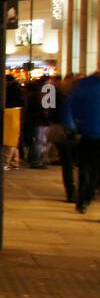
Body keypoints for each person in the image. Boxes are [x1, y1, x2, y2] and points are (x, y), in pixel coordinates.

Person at [61, 69, 100, 214]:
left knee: (87, 170)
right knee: (84, 169)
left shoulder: (84, 86)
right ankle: (82, 197)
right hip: (86, 134)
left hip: (85, 133)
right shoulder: (85, 85)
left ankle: (84, 197)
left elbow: (68, 108)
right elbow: (68, 108)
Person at [54, 74, 80, 202]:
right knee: (69, 164)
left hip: (71, 132)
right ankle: (72, 192)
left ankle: (73, 191)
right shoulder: (55, 94)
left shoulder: (58, 95)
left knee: (70, 164)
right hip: (66, 133)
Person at [23, 74, 51, 169]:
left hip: (35, 121)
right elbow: (44, 109)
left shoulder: (36, 93)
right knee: (39, 141)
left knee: (36, 141)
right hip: (40, 121)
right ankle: (36, 161)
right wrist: (48, 120)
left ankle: (34, 159)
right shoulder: (44, 93)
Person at [3, 74, 24, 169]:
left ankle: (6, 162)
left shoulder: (11, 90)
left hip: (11, 115)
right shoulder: (18, 89)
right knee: (13, 140)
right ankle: (15, 162)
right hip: (16, 115)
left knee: (10, 140)